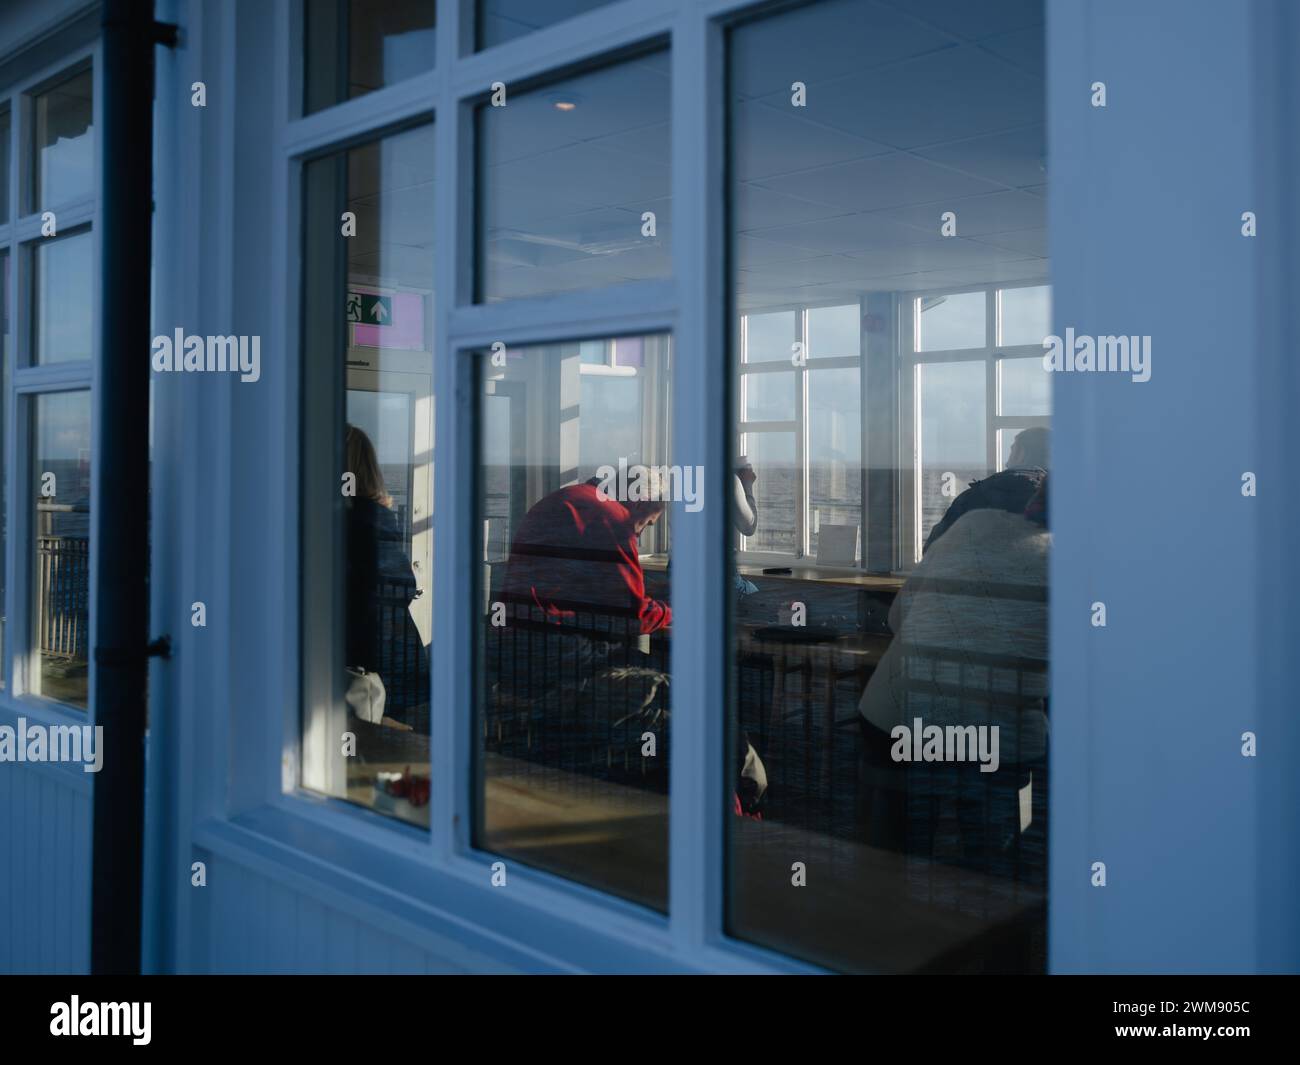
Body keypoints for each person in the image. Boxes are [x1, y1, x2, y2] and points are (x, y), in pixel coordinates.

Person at [857, 479, 1049, 885]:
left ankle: (883, 928)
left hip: (897, 718)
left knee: (889, 859)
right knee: (995, 874)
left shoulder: (973, 523)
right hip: (994, 737)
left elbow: (896, 619)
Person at [501, 466, 671, 634]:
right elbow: (633, 617)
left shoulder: (569, 496)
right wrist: (671, 610)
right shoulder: (612, 518)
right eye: (647, 523)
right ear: (639, 503)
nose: (639, 533)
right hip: (553, 637)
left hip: (517, 627)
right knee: (647, 659)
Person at [344, 424, 423, 725]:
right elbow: (401, 583)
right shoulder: (374, 516)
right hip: (384, 647)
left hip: (362, 649)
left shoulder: (342, 516)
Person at [924, 426, 1049, 553]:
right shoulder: (1061, 501)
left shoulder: (975, 496)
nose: (1006, 462)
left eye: (1012, 450)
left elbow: (932, 548)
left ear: (1020, 454)